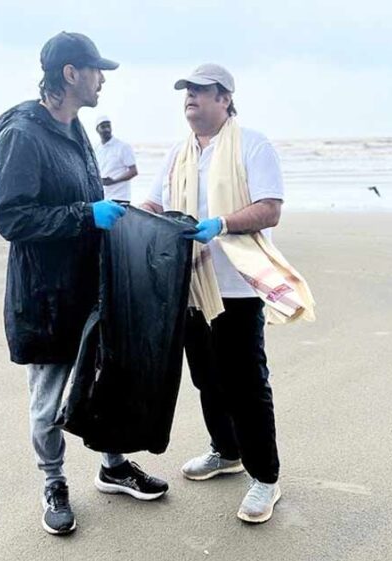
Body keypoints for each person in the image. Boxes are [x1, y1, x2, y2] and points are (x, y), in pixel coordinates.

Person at [0, 31, 168, 537]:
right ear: (70, 74)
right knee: (49, 401)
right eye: (96, 70)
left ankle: (113, 465)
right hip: (44, 295)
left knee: (103, 381)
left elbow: (92, 201)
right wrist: (86, 213)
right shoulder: (22, 134)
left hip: (92, 285)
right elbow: (11, 218)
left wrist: (122, 213)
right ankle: (53, 482)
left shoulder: (76, 127)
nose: (103, 80)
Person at [139, 63, 286, 524]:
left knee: (246, 384)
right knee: (206, 379)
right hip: (189, 287)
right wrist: (134, 216)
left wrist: (221, 224)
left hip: (237, 286)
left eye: (201, 91)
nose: (190, 98)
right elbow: (154, 202)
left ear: (225, 98)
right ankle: (226, 452)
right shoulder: (178, 154)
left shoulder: (252, 144)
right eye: (186, 91)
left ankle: (266, 478)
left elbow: (270, 208)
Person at [94, 115, 138, 201]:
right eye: (103, 127)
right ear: (97, 130)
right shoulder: (97, 149)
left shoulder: (123, 147)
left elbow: (133, 171)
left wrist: (114, 181)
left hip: (120, 198)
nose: (107, 129)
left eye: (108, 126)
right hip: (103, 198)